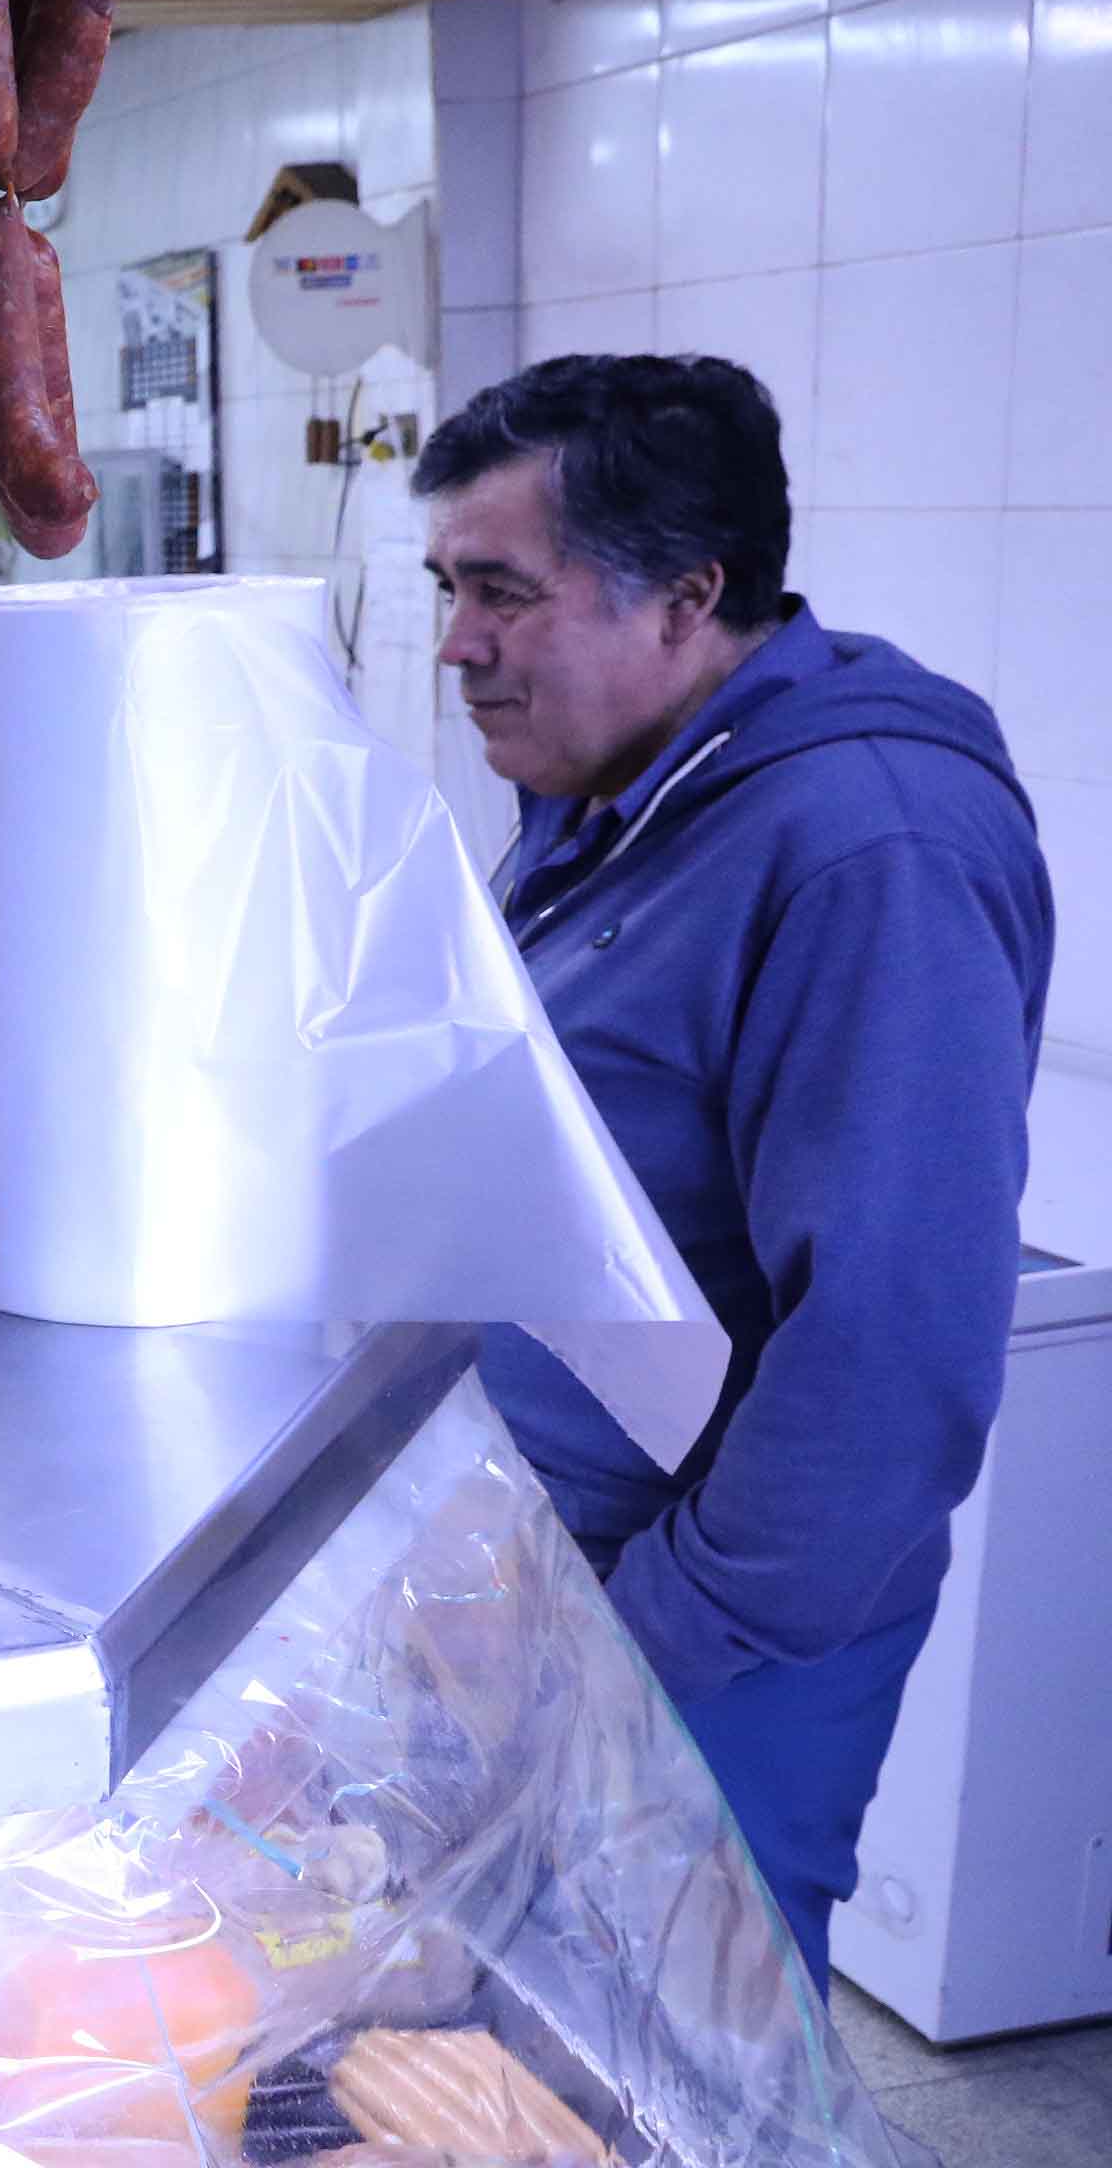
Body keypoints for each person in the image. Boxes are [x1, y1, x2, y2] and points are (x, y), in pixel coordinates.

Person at [418, 354, 1051, 1988]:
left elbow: (886, 1358)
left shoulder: (863, 847)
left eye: (498, 592)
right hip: (543, 1600)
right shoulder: (609, 794)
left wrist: (627, 1652)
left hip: (707, 1639)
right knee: (512, 2068)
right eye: (443, 589)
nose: (453, 645)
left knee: (688, 2080)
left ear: (685, 595)